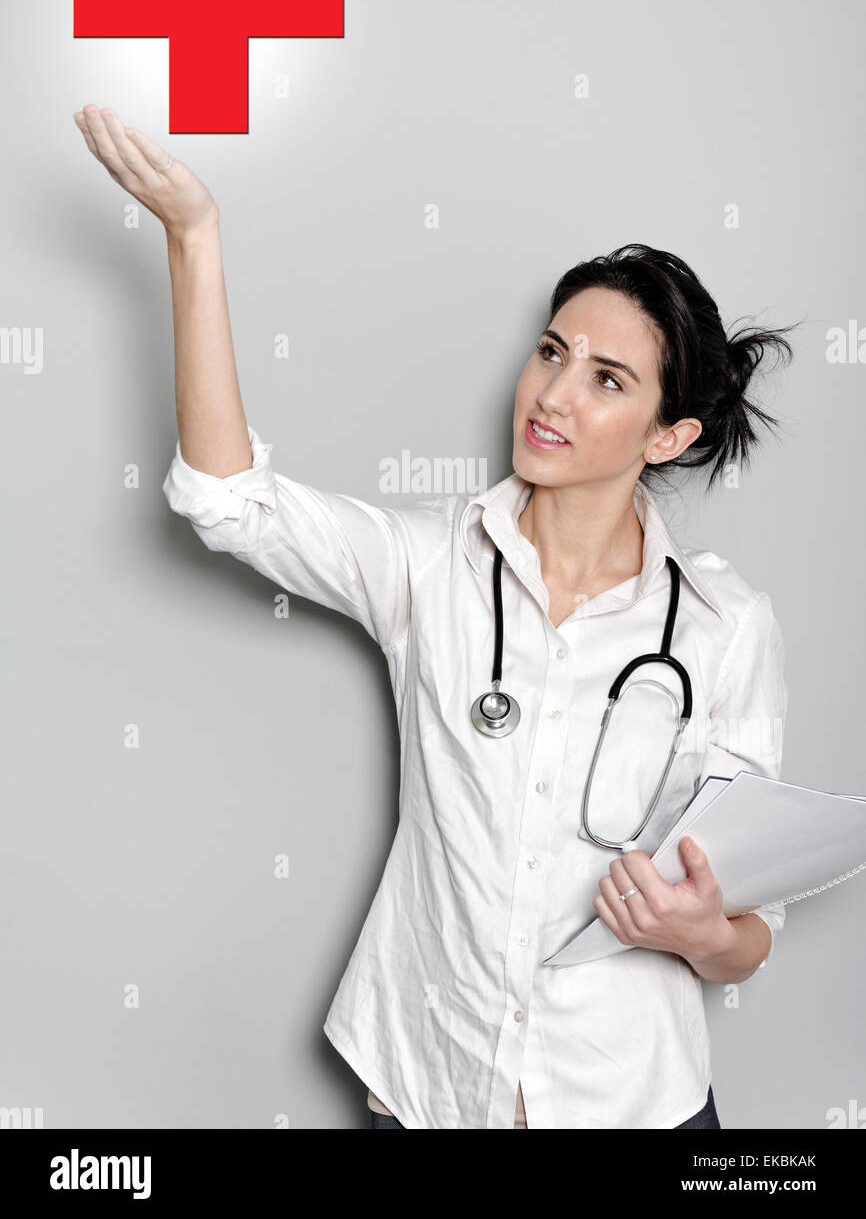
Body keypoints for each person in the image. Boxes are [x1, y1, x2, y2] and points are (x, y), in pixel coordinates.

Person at [73, 104, 800, 1130]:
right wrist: (195, 239)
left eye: (605, 380)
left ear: (668, 435)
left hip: (629, 1097)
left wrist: (696, 934)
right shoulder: (429, 563)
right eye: (549, 352)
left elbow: (749, 923)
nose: (550, 395)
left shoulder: (724, 629)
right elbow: (224, 499)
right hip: (432, 1075)